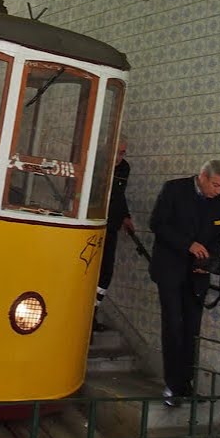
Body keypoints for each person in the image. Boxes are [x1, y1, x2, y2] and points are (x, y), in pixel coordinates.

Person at [149, 159, 220, 406]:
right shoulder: (174, 189)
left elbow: (219, 237)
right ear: (203, 176)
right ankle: (172, 387)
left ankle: (187, 386)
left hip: (197, 276)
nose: (217, 191)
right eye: (215, 185)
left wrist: (208, 259)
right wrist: (188, 245)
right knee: (173, 326)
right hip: (170, 271)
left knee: (192, 330)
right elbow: (157, 224)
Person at [93, 136, 134, 332]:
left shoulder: (124, 168)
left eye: (123, 152)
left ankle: (92, 312)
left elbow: (118, 195)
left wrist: (125, 216)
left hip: (112, 225)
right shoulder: (96, 162)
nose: (120, 156)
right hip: (93, 224)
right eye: (117, 152)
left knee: (106, 272)